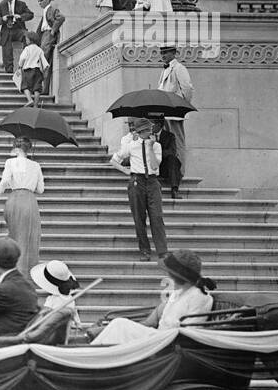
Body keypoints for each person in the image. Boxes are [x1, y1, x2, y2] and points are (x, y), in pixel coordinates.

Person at [88, 250, 216, 345]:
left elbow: (190, 332)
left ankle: (92, 354)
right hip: (158, 337)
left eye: (171, 273)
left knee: (120, 324)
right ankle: (93, 351)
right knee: (119, 324)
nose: (169, 275)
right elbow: (156, 318)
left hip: (166, 343)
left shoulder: (201, 297)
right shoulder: (178, 293)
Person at [113, 117, 169, 260]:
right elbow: (114, 160)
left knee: (157, 216)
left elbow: (156, 166)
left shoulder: (156, 146)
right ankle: (145, 250)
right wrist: (126, 171)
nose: (149, 132)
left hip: (152, 181)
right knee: (139, 217)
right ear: (139, 132)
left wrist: (150, 147)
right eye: (146, 130)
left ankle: (162, 250)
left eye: (150, 130)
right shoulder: (131, 146)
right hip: (137, 181)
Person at [0, 137, 45, 274]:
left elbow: (5, 181)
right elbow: (40, 189)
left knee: (14, 234)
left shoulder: (10, 162)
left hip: (15, 198)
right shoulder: (35, 165)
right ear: (29, 149)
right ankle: (27, 270)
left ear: (16, 148)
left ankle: (12, 269)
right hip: (29, 200)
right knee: (29, 237)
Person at [158, 44, 193, 198]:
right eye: (162, 52)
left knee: (177, 143)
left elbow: (187, 89)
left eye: (166, 52)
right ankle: (170, 172)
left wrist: (181, 106)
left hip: (174, 111)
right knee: (168, 142)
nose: (163, 55)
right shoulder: (165, 69)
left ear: (173, 53)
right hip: (165, 112)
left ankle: (179, 172)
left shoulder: (179, 68)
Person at [30, 259, 83, 341]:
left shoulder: (51, 300)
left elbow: (43, 318)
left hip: (53, 333)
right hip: (66, 331)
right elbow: (76, 320)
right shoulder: (71, 299)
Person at [0, 0, 34, 75]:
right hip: (7, 30)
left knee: (26, 36)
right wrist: (3, 19)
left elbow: (30, 14)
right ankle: (9, 70)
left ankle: (25, 63)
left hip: (18, 28)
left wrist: (20, 16)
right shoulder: (2, 5)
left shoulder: (21, 4)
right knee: (6, 47)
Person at [34, 0, 65, 96]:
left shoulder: (51, 9)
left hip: (48, 36)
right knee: (44, 62)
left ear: (48, 0)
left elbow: (61, 18)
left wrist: (53, 30)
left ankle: (44, 88)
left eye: (41, 1)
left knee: (44, 62)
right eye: (38, 1)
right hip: (44, 36)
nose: (39, 3)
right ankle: (43, 87)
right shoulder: (45, 11)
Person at [18, 34, 48, 107]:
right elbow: (44, 61)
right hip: (37, 70)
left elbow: (22, 58)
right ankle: (36, 104)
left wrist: (20, 65)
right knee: (37, 88)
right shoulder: (39, 49)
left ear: (31, 40)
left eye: (27, 39)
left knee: (25, 86)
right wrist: (45, 69)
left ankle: (30, 100)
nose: (26, 41)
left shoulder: (27, 49)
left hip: (27, 70)